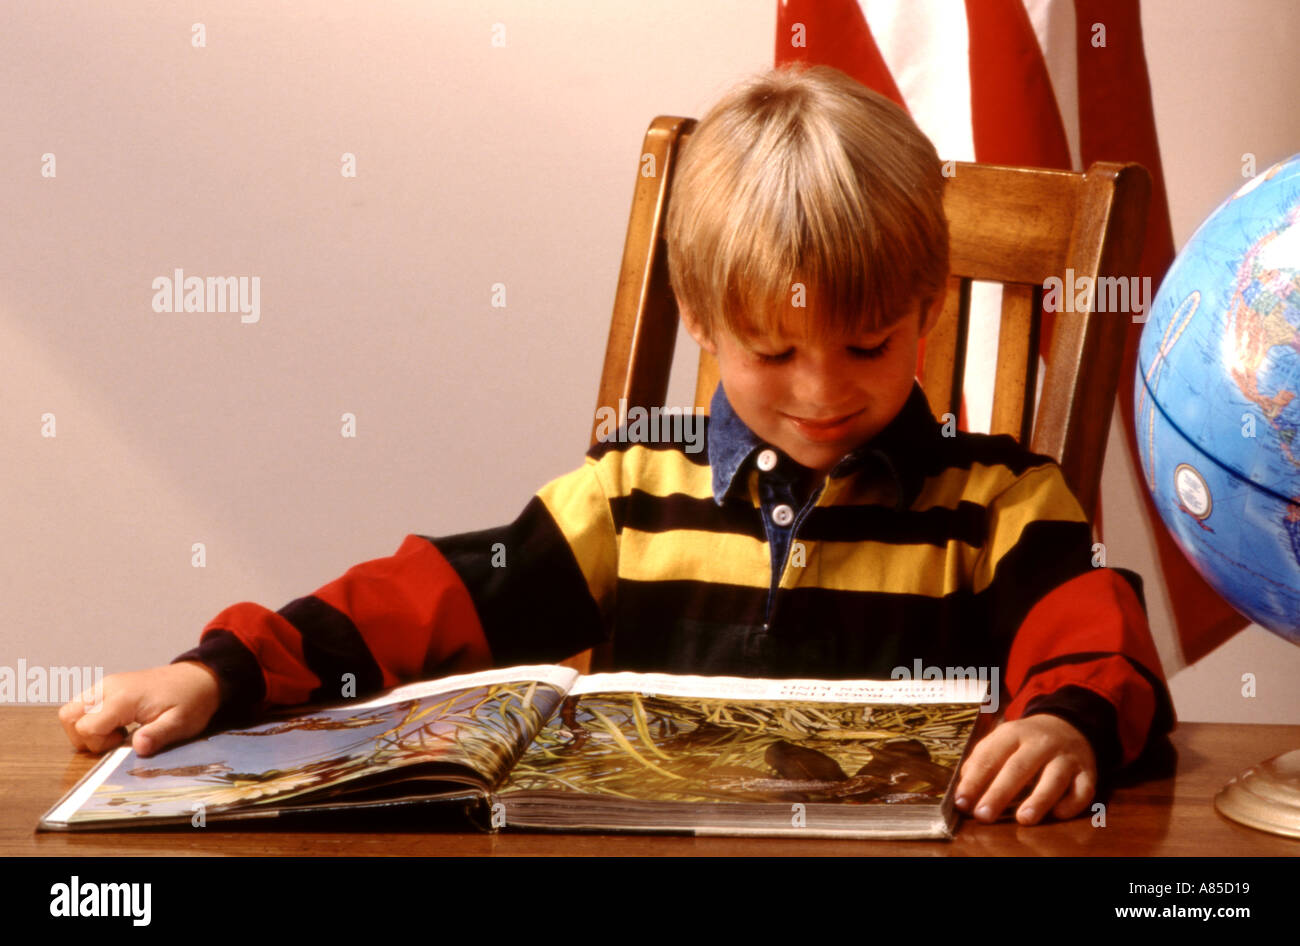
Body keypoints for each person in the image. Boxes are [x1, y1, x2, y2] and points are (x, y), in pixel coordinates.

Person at [59, 64, 1173, 826]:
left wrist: (1066, 724)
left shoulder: (1005, 505)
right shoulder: (630, 499)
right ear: (700, 319)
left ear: (926, 307)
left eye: (869, 343)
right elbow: (428, 597)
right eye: (774, 352)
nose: (826, 393)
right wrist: (225, 668)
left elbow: (1098, 644)